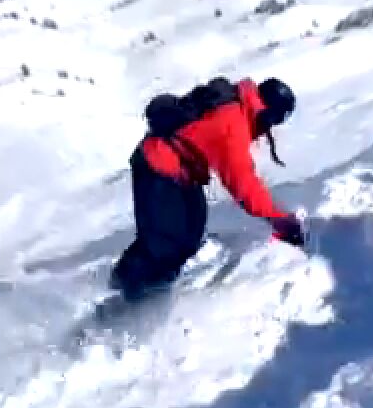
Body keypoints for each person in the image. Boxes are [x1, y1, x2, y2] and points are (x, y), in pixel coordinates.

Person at [109, 76, 305, 301]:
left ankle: (149, 289)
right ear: (269, 112)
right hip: (158, 167)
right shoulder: (232, 124)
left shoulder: (237, 108)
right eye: (274, 121)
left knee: (189, 235)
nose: (269, 129)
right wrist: (277, 218)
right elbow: (242, 181)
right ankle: (124, 297)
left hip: (181, 172)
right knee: (165, 244)